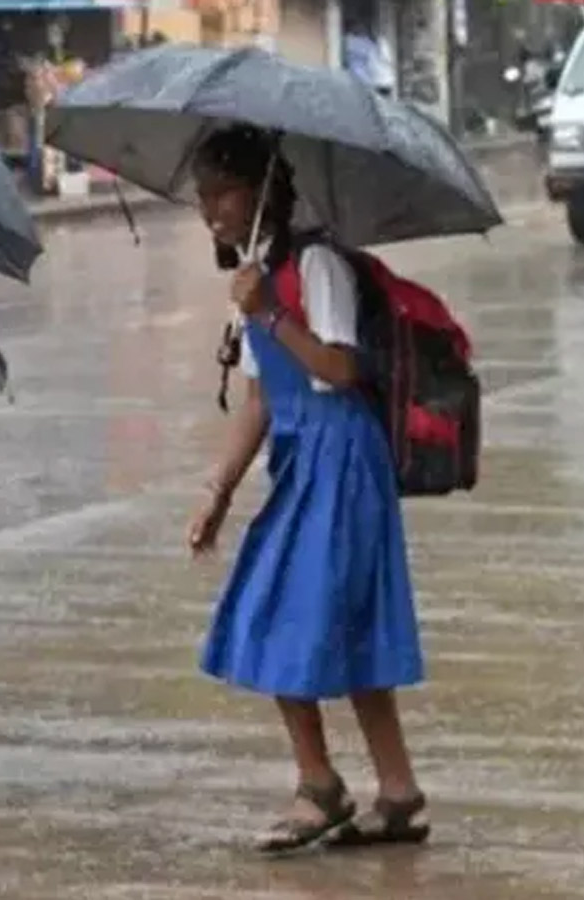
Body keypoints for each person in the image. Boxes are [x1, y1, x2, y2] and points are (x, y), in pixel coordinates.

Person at [186, 125, 429, 853]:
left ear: (262, 188)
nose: (210, 212)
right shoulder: (257, 273)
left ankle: (320, 786)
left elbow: (341, 369)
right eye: (202, 198)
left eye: (222, 193)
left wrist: (269, 312)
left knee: (283, 614)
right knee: (311, 618)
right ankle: (396, 792)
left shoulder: (314, 264)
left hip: (344, 458)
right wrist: (218, 491)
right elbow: (260, 401)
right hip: (300, 459)